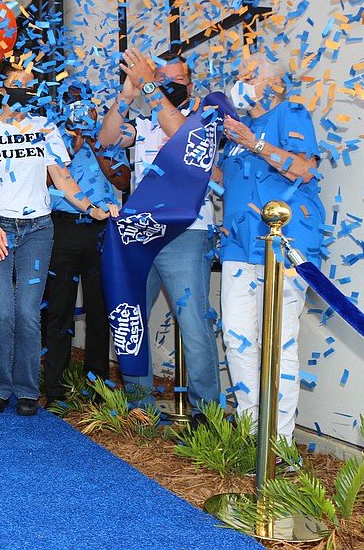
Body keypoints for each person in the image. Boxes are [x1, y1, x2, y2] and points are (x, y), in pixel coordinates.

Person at [0, 60, 116, 416]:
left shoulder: (45, 128)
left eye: (30, 85)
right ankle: (0, 386)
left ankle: (28, 390)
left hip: (37, 229)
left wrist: (91, 208)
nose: (24, 90)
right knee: (2, 313)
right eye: (17, 83)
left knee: (28, 313)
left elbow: (62, 178)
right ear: (2, 88)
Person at [98, 48, 222, 419]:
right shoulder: (144, 124)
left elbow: (183, 138)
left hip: (186, 233)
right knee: (128, 316)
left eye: (176, 81)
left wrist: (151, 85)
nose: (168, 86)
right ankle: (140, 404)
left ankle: (207, 413)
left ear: (191, 85)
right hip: (138, 235)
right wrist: (127, 94)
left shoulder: (206, 119)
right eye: (161, 78)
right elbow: (105, 141)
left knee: (193, 324)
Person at [219, 52, 323, 438]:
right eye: (240, 72)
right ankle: (251, 438)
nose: (242, 78)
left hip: (284, 246)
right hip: (237, 246)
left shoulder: (290, 113)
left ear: (275, 83)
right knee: (237, 339)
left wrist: (254, 143)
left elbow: (304, 169)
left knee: (278, 344)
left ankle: (278, 444)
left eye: (252, 73)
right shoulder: (236, 128)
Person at [42, 76, 130, 405]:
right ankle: (54, 388)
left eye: (83, 98)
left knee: (99, 308)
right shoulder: (53, 137)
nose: (77, 105)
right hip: (62, 227)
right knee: (59, 309)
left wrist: (96, 145)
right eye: (71, 98)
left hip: (101, 231)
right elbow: (42, 180)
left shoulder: (109, 139)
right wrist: (72, 146)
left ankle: (96, 385)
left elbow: (123, 180)